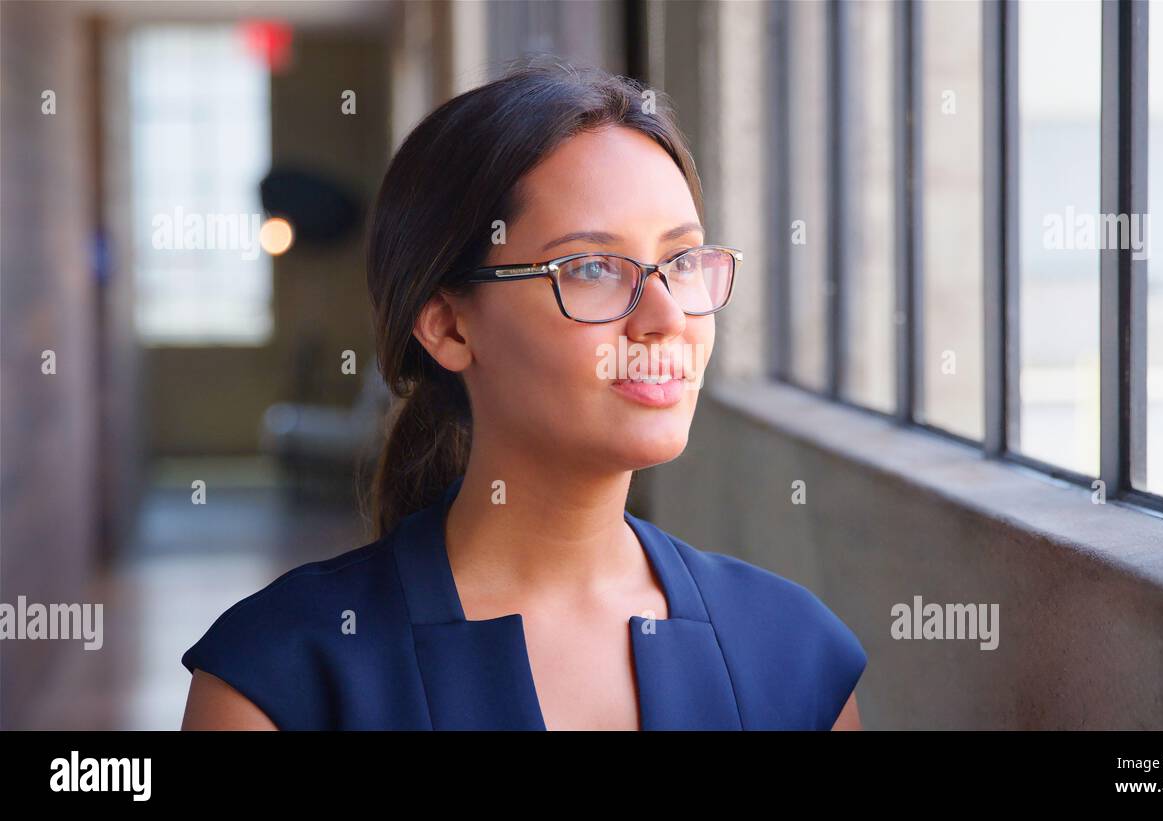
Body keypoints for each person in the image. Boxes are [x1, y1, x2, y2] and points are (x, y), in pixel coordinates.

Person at [180, 59, 866, 731]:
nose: (666, 316)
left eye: (682, 261)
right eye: (593, 266)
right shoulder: (280, 679)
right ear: (448, 325)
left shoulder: (792, 655)